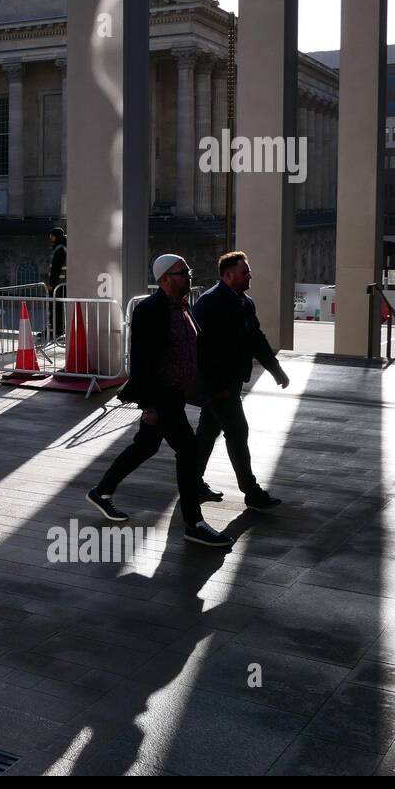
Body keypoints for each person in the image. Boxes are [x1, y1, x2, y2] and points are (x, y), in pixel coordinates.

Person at [86, 254, 234, 549]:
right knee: (189, 452)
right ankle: (194, 523)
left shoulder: (182, 306)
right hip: (162, 395)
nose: (189, 277)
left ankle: (101, 492)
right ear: (165, 278)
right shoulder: (150, 310)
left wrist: (212, 385)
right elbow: (143, 361)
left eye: (188, 271)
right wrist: (149, 405)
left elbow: (194, 350)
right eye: (183, 273)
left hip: (176, 393)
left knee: (146, 446)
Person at [193, 250, 290, 510]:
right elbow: (201, 351)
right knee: (237, 431)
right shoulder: (209, 303)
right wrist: (216, 388)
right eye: (244, 272)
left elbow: (255, 338)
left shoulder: (245, 302)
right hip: (219, 385)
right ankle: (252, 492)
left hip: (231, 382)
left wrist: (276, 370)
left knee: (208, 430)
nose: (250, 276)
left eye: (248, 271)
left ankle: (192, 483)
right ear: (228, 276)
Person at [47, 226, 67, 337]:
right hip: (61, 283)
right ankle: (57, 329)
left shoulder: (59, 249)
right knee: (58, 307)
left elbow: (56, 269)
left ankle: (54, 330)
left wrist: (51, 284)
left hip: (57, 284)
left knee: (54, 307)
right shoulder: (64, 246)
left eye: (52, 235)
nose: (51, 237)